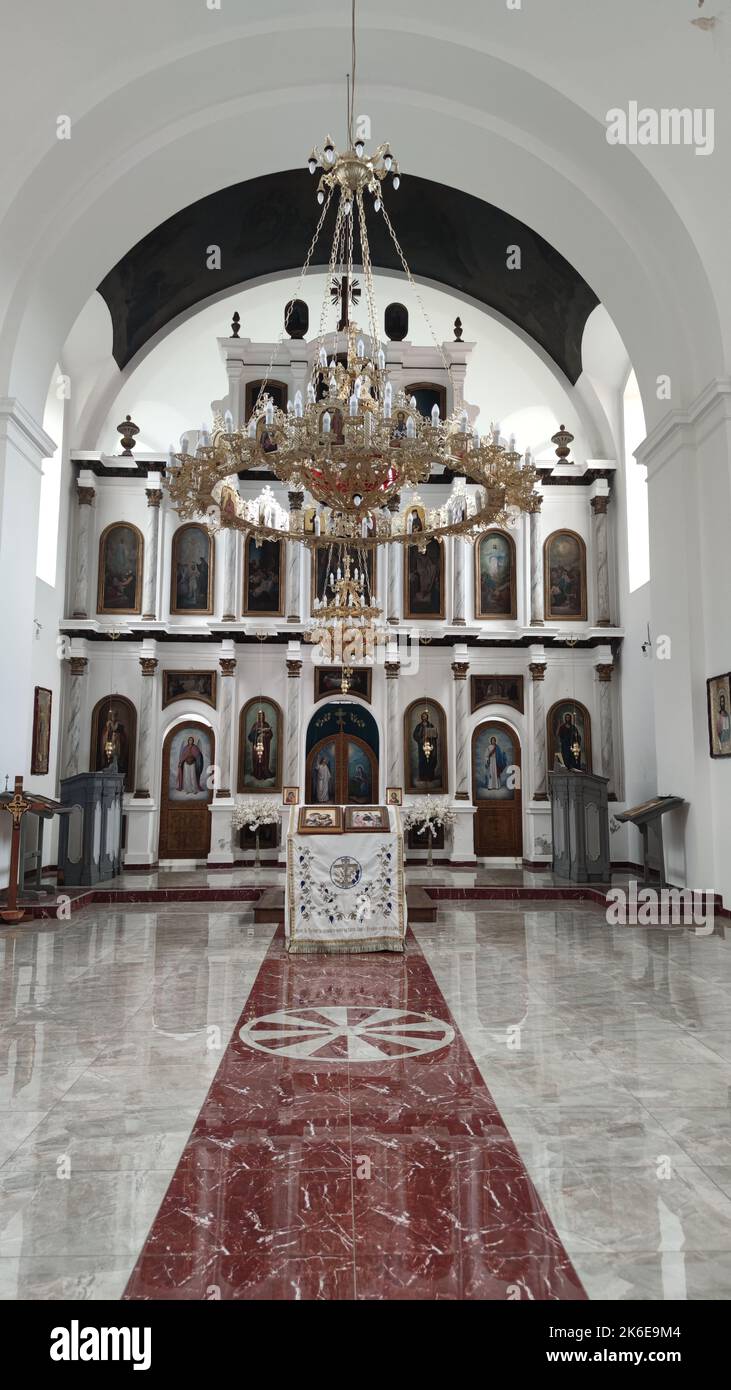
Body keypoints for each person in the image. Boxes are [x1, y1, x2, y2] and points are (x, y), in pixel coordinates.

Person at [413, 710, 438, 783]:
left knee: (430, 760)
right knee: (422, 760)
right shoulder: (418, 726)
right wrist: (421, 739)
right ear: (421, 718)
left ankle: (430, 776)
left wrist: (433, 734)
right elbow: (415, 735)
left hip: (430, 745)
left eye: (425, 716)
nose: (424, 718)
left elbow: (435, 735)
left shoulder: (431, 725)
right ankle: (422, 776)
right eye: (423, 716)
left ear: (427, 717)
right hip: (422, 746)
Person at [248, 709, 273, 780]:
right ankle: (257, 773)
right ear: (258, 717)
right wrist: (257, 732)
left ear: (264, 717)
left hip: (265, 746)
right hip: (257, 745)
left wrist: (265, 735)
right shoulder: (255, 725)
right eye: (260, 716)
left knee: (264, 759)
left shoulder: (266, 724)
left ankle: (265, 772)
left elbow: (270, 734)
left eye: (262, 716)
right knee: (257, 758)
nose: (261, 717)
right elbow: (250, 736)